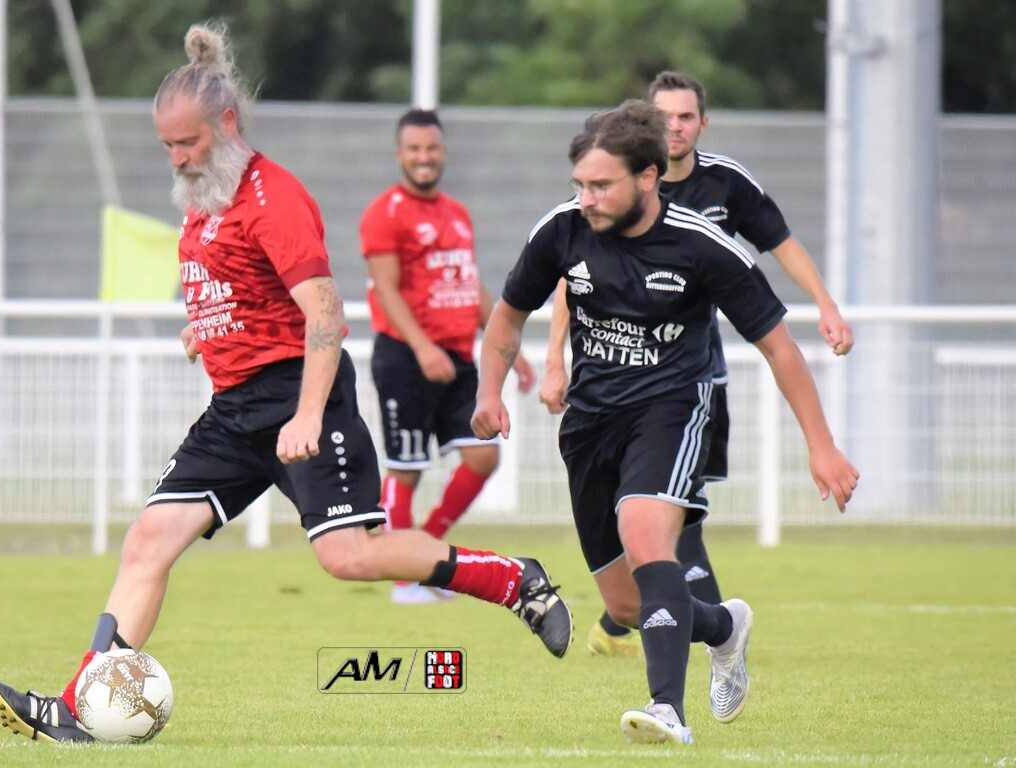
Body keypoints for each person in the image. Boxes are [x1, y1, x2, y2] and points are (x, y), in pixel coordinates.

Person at [0, 21, 572, 745]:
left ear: (226, 124)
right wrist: (209, 326)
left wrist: (307, 413)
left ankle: (515, 581)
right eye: (167, 146)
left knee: (348, 556)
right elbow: (238, 286)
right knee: (147, 542)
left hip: (301, 392)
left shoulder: (273, 196)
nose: (177, 158)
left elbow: (324, 312)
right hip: (235, 409)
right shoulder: (203, 197)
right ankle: (79, 707)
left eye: (188, 143)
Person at [473, 100, 858, 745]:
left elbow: (778, 346)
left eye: (602, 186)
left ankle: (666, 713)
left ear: (648, 177)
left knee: (645, 529)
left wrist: (821, 446)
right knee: (626, 604)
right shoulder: (562, 231)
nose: (587, 198)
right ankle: (724, 627)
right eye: (580, 185)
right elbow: (508, 317)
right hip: (590, 422)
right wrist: (490, 391)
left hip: (672, 409)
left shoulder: (702, 246)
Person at [539, 70, 855, 659]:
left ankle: (667, 639)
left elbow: (780, 243)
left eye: (685, 116)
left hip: (690, 381)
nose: (674, 127)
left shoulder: (725, 185)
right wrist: (555, 359)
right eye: (664, 117)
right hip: (608, 386)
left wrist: (825, 304)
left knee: (676, 520)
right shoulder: (609, 191)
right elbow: (571, 280)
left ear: (702, 123)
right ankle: (656, 618)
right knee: (660, 524)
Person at [359, 108, 536, 604]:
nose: (423, 157)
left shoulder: (456, 213)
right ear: (400, 155)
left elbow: (468, 284)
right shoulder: (384, 213)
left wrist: (510, 350)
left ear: (443, 153)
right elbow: (387, 291)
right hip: (406, 357)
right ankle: (402, 576)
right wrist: (421, 347)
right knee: (406, 468)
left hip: (457, 358)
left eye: (431, 148)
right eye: (414, 149)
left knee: (483, 455)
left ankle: (429, 548)